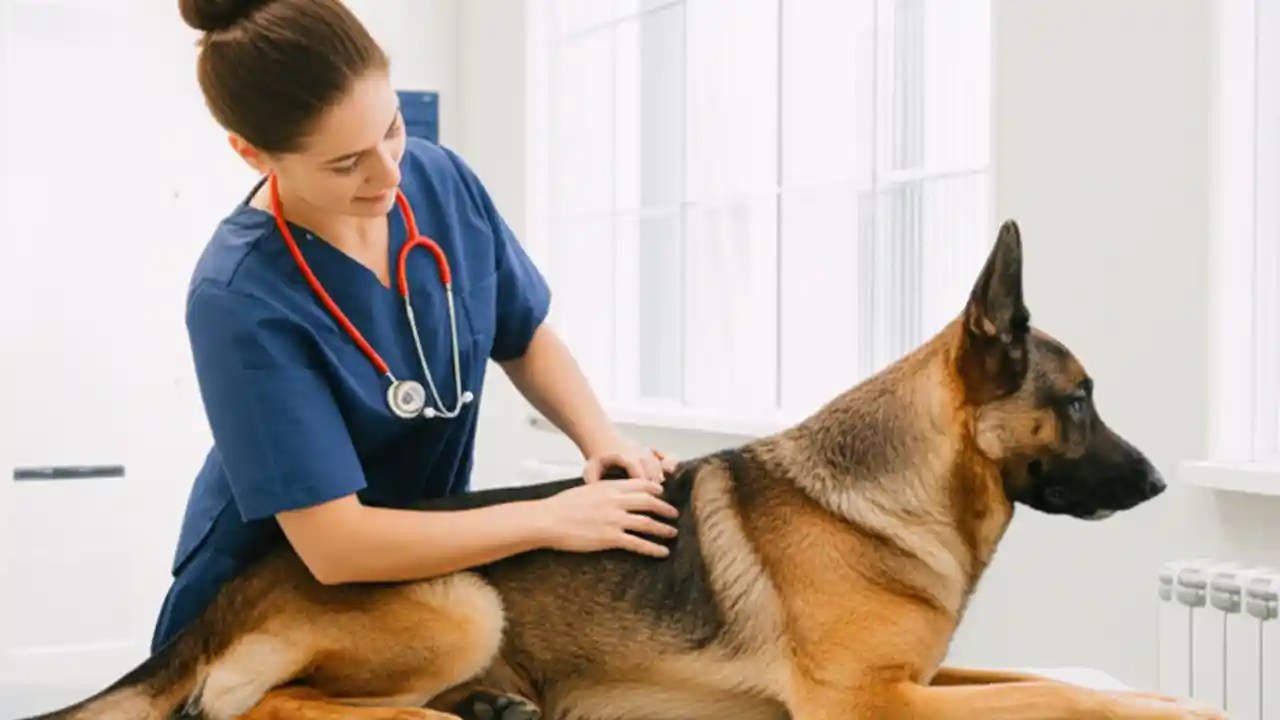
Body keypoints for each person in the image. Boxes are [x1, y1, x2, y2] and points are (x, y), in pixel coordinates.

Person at [153, 0, 679, 654]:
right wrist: (549, 519)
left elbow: (523, 332)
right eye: (346, 164)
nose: (389, 173)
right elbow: (336, 547)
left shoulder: (439, 179)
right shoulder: (238, 296)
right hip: (263, 611)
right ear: (252, 154)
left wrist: (600, 440)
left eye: (391, 127)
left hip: (406, 584)